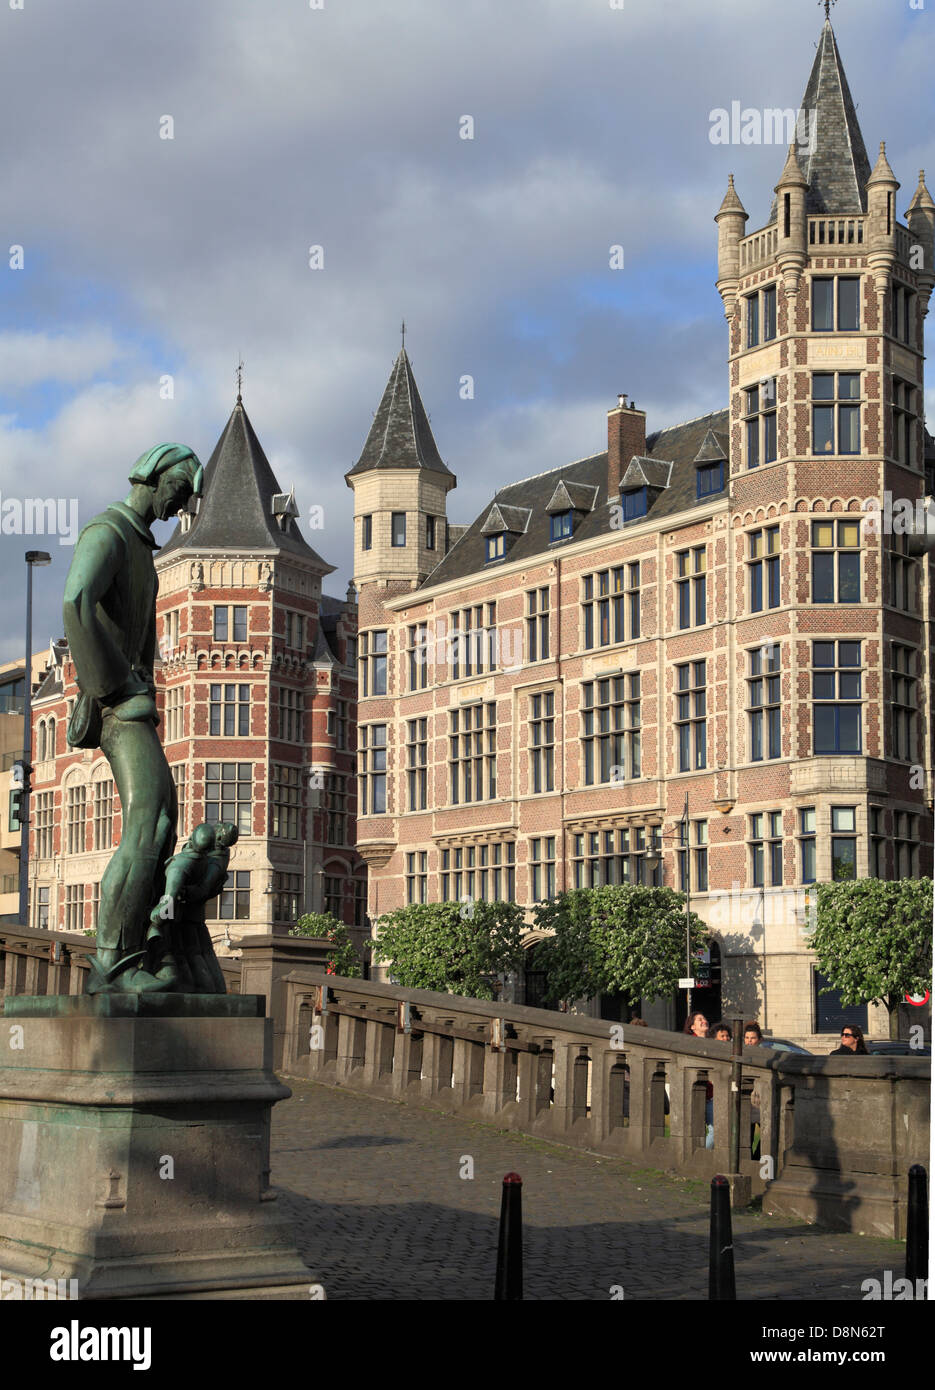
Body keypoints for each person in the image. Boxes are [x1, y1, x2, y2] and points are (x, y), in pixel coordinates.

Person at [63, 442, 204, 994]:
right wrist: (115, 684)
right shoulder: (111, 531)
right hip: (121, 704)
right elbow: (76, 601)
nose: (182, 503)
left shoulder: (142, 544)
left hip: (134, 704)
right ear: (154, 474)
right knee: (149, 820)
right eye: (180, 488)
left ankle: (145, 948)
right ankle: (114, 967)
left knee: (163, 820)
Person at [682, 1012, 714, 1148]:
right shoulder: (689, 1043)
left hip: (711, 1095)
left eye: (704, 1018)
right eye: (699, 1020)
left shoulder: (712, 1043)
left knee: (717, 1130)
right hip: (696, 1094)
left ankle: (704, 1154)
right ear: (692, 1027)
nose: (704, 1021)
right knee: (695, 1132)